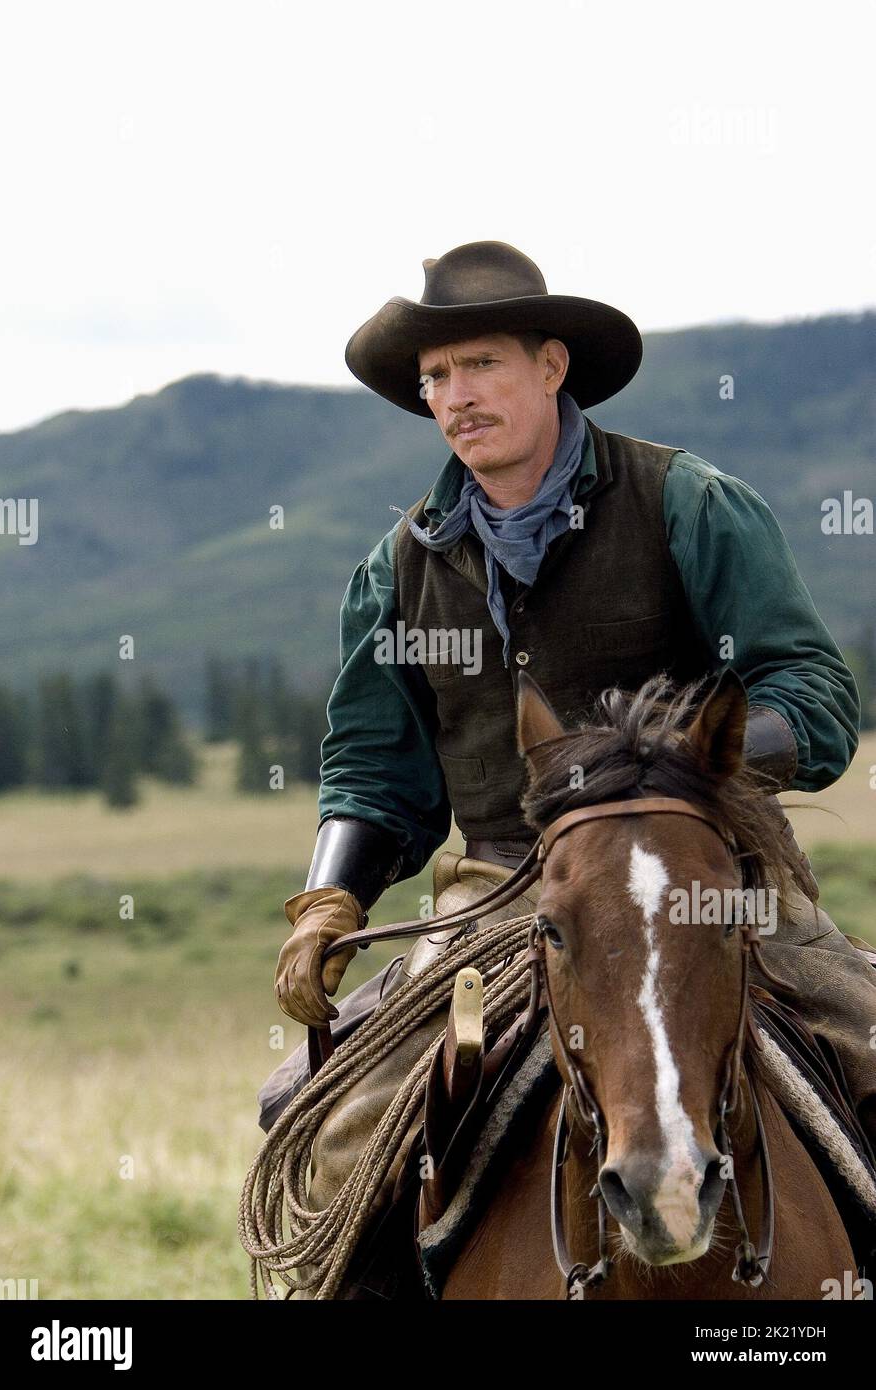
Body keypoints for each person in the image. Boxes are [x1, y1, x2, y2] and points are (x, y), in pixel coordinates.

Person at [262, 239, 875, 1163]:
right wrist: (328, 902)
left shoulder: (690, 503)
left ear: (551, 367)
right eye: (435, 377)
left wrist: (680, 766)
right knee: (318, 1123)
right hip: (498, 896)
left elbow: (815, 700)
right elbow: (375, 772)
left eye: (480, 364)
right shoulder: (395, 570)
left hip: (702, 881)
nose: (456, 395)